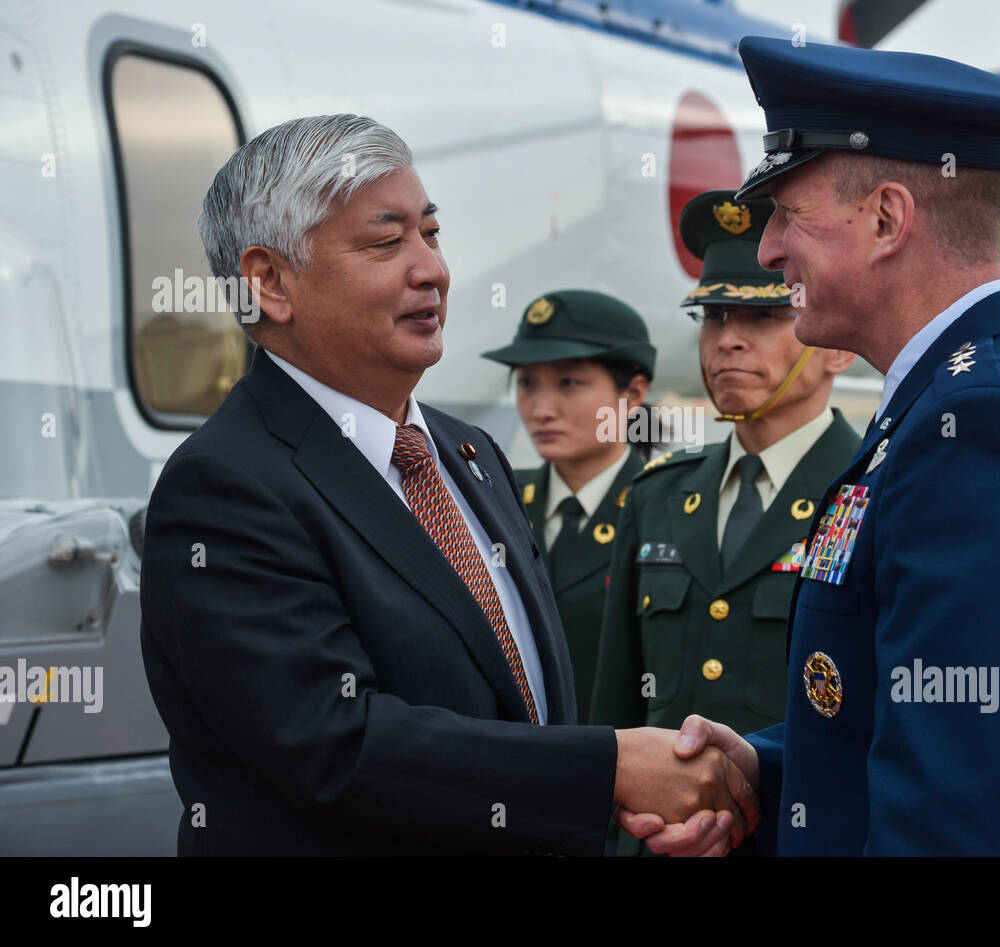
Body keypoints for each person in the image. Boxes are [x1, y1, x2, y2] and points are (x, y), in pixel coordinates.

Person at [622, 38, 1000, 856]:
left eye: (790, 212)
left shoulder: (984, 435)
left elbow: (948, 828)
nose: (768, 249)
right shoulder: (985, 394)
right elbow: (927, 731)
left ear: (888, 219)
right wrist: (763, 774)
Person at [138, 113, 756, 856]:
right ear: (269, 282)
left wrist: (625, 805)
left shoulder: (470, 454)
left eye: (430, 233)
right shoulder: (224, 487)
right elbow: (336, 745)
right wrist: (613, 769)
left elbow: (526, 714)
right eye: (385, 241)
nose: (430, 268)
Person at [590, 188, 858, 737]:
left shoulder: (875, 490)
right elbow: (616, 711)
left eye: (766, 316)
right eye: (714, 316)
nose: (728, 341)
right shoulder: (656, 493)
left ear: (837, 347)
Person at [481, 290, 655, 723]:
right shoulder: (493, 501)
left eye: (569, 383)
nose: (541, 410)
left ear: (632, 395)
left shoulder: (664, 508)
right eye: (526, 384)